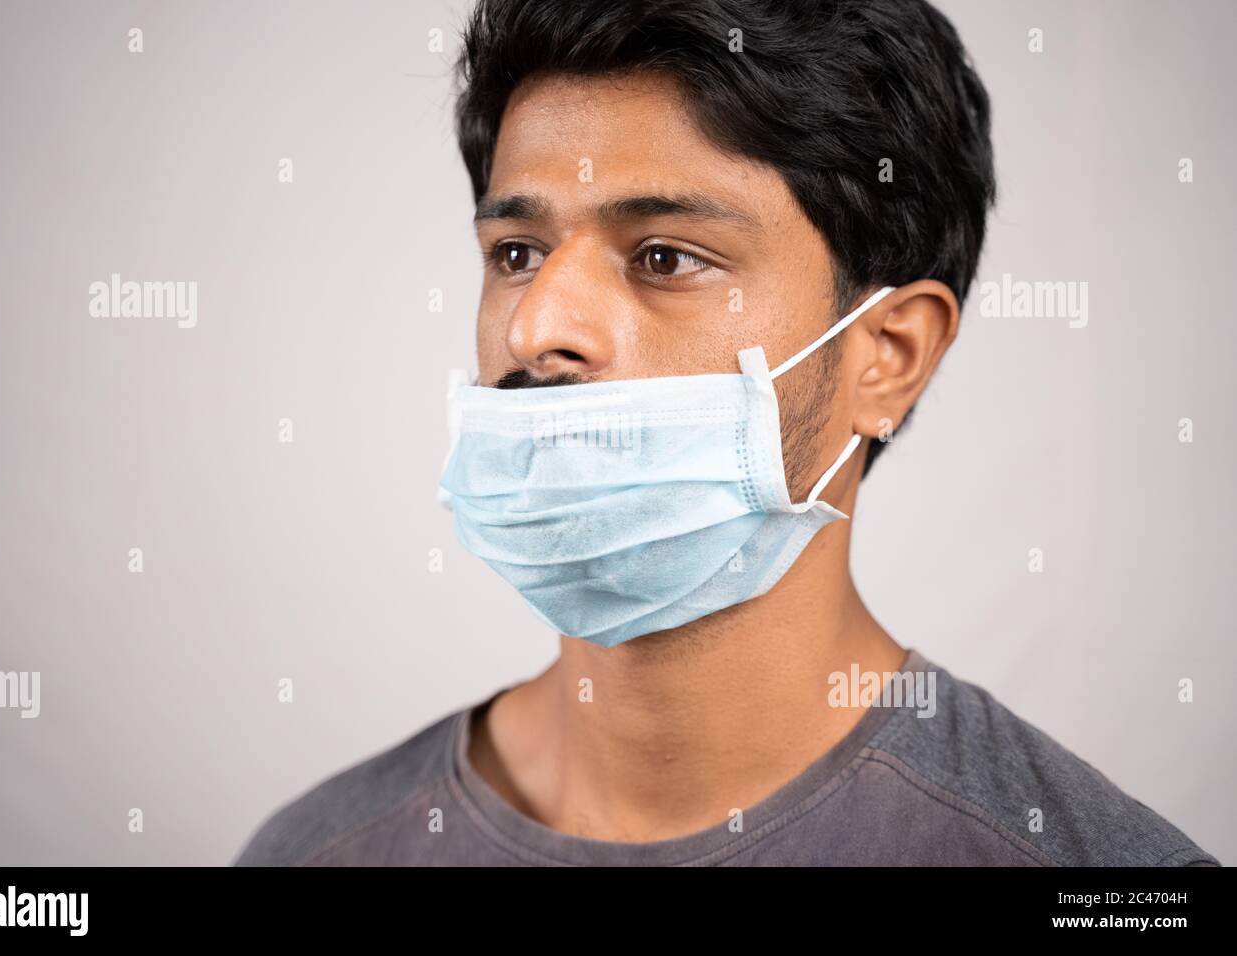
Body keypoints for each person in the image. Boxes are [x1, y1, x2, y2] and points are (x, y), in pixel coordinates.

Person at [234, 0, 1219, 866]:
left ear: (888, 354)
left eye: (665, 254)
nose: (537, 328)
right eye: (518, 251)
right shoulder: (315, 849)